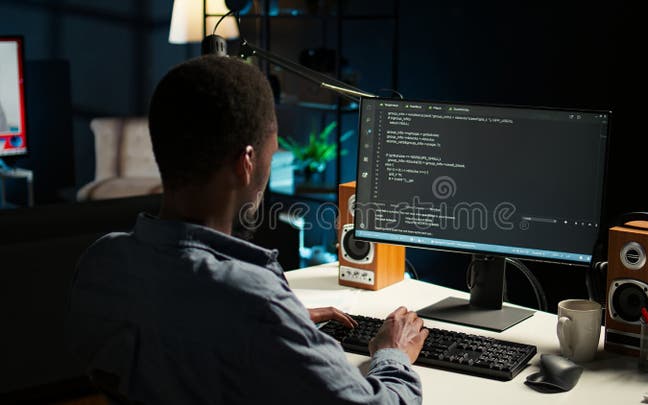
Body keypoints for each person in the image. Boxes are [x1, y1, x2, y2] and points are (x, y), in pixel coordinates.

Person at [68, 55, 429, 404]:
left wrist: (286, 326)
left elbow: (178, 319)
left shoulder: (103, 263)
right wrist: (392, 354)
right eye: (270, 156)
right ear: (247, 162)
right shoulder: (254, 303)